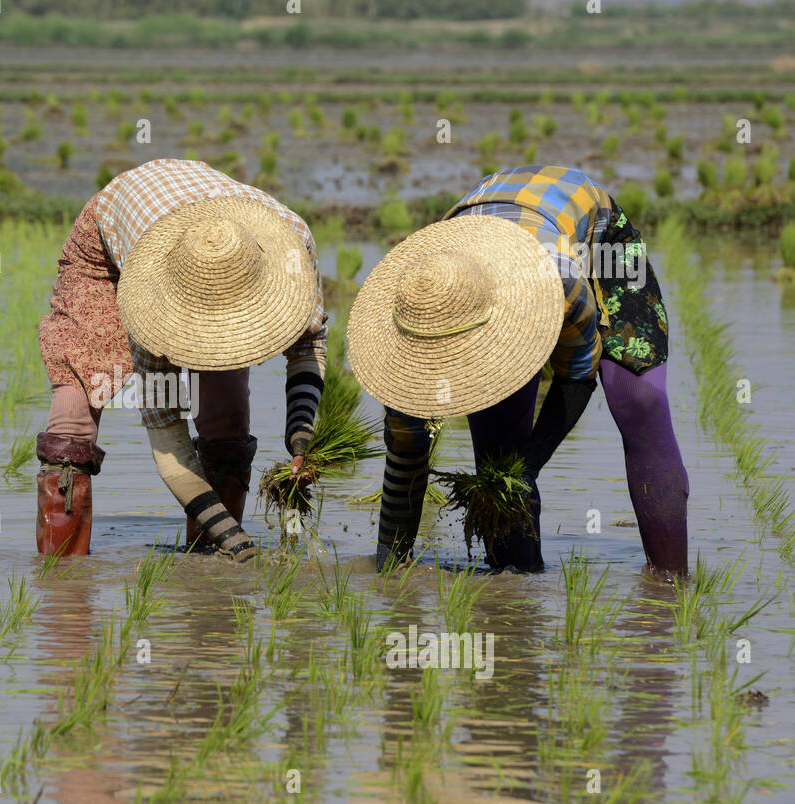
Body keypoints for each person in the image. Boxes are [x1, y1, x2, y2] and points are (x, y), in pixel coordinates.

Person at [347, 164, 689, 576]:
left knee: (639, 399)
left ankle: (670, 586)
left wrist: (530, 466)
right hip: (478, 245)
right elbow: (405, 453)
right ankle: (516, 585)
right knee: (499, 449)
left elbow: (577, 375)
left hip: (593, 239)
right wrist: (389, 564)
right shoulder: (410, 326)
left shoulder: (560, 280)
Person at [35, 158, 326, 559]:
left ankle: (209, 566)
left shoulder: (293, 245)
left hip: (209, 229)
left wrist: (301, 441)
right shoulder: (150, 297)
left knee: (227, 416)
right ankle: (62, 578)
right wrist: (239, 544)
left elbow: (309, 348)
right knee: (77, 408)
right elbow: (167, 437)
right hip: (118, 234)